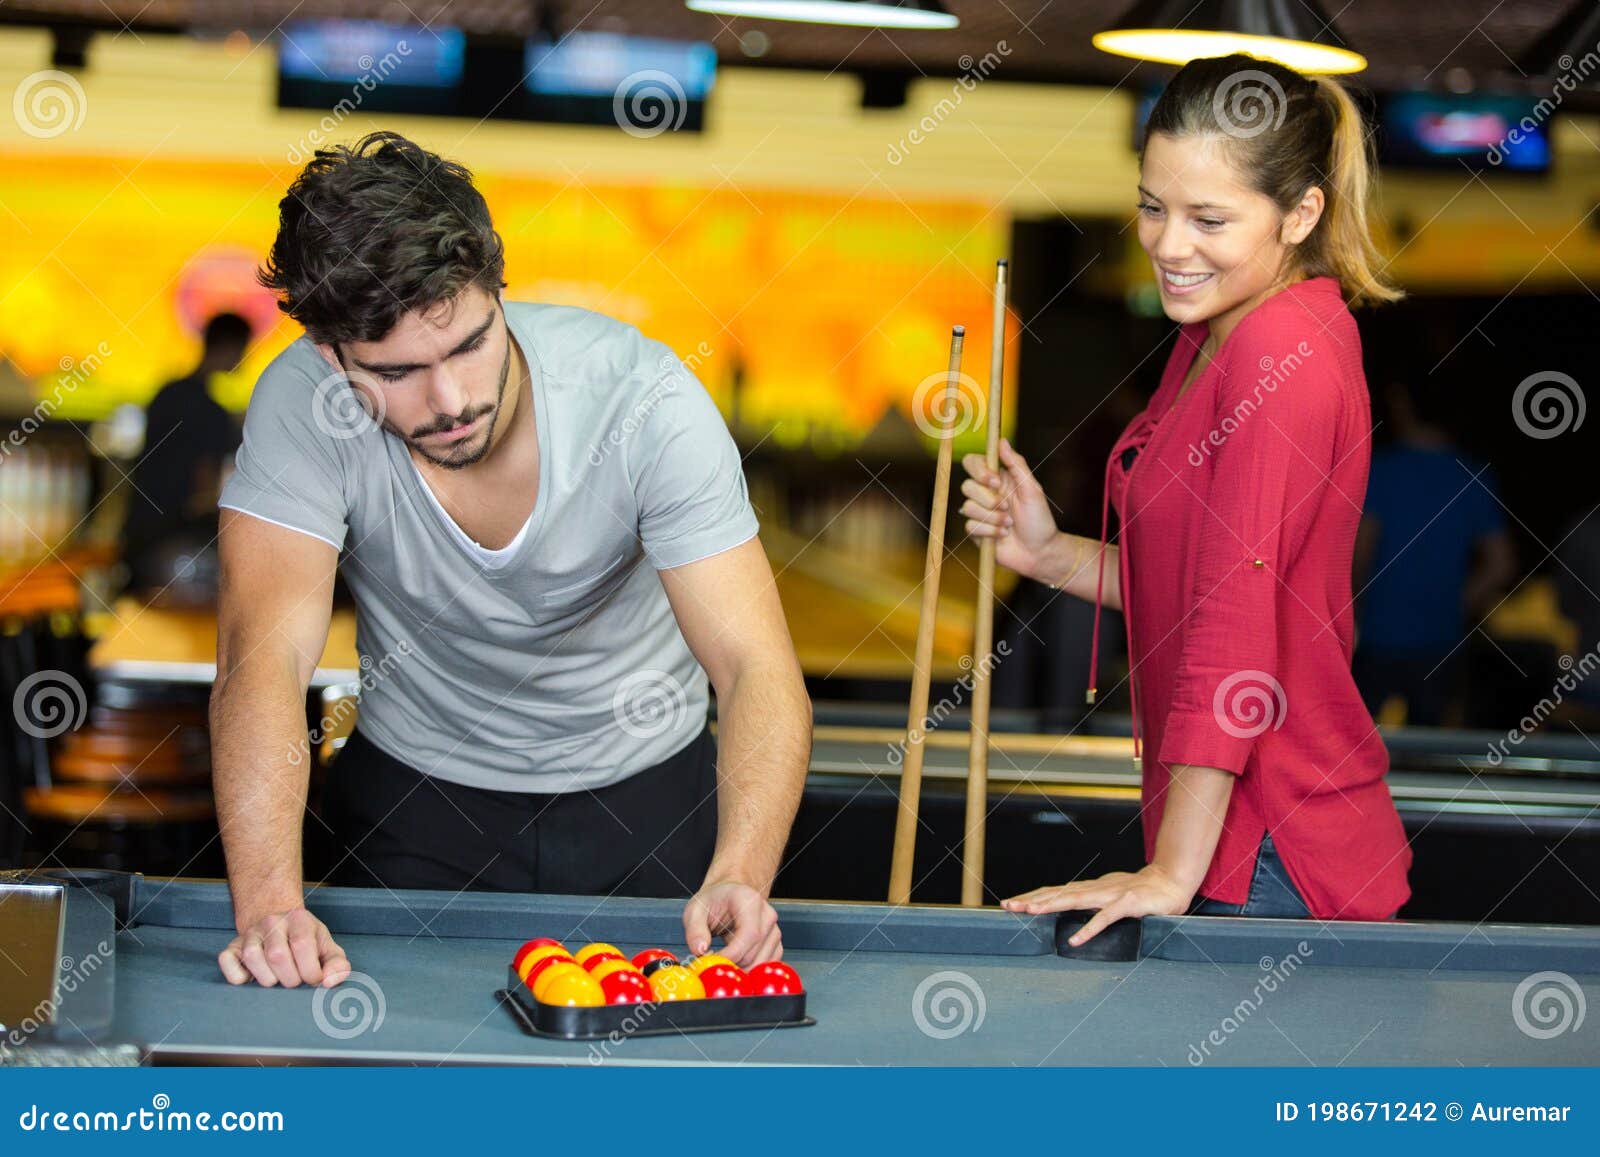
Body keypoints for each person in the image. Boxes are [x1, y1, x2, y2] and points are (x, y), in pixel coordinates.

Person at [212, 132, 810, 989]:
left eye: (468, 345)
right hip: (415, 799)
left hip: (647, 797)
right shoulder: (302, 408)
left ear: (497, 289)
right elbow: (261, 660)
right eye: (398, 372)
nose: (451, 400)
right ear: (329, 354)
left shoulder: (646, 401)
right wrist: (271, 904)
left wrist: (742, 871)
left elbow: (756, 665)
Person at [960, 54, 1411, 943]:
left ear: (1300, 214)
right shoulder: (1213, 336)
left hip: (1273, 843)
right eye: (1153, 207)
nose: (1169, 245)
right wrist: (1049, 554)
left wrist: (1171, 870)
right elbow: (1196, 585)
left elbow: (1236, 620)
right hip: (1237, 836)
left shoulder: (1280, 350)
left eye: (1209, 219)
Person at [1353, 376, 1515, 725]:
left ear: (1402, 404)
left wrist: (1353, 609)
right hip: (1443, 645)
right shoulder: (1472, 475)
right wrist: (1453, 604)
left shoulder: (1380, 471)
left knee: (1362, 747)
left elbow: (1360, 554)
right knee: (1431, 751)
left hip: (1379, 640)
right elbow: (1501, 564)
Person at [120, 311, 250, 598]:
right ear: (231, 346)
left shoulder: (166, 394)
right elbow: (205, 486)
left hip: (140, 529)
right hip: (177, 541)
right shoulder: (211, 411)